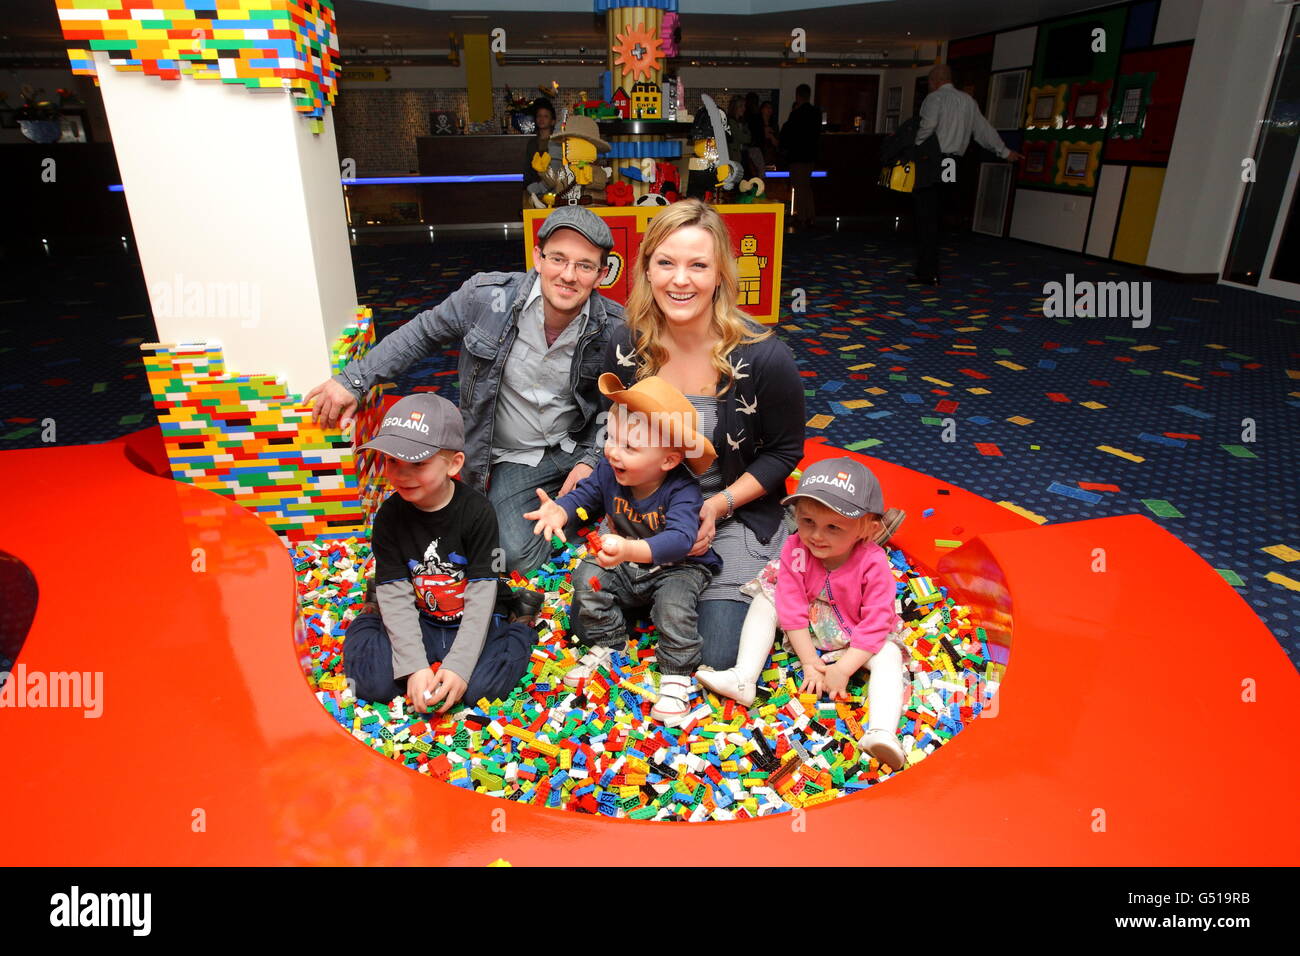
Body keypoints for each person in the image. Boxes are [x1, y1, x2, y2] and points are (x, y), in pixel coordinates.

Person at [305, 205, 624, 575]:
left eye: (584, 265)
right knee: (514, 555)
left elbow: (621, 405)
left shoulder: (614, 325)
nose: (568, 275)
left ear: (601, 274)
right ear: (537, 258)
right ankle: (571, 508)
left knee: (648, 511)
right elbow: (423, 333)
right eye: (558, 259)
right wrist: (354, 380)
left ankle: (583, 502)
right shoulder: (486, 298)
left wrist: (592, 460)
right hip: (516, 456)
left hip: (578, 446)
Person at [603, 198, 805, 673]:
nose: (680, 279)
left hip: (731, 511)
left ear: (720, 275)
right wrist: (591, 471)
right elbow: (609, 419)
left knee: (715, 654)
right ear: (647, 270)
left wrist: (716, 506)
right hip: (649, 509)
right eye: (666, 263)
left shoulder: (765, 357)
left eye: (698, 265)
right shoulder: (626, 344)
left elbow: (784, 451)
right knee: (592, 606)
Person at [524, 373, 720, 726]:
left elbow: (679, 541)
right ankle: (611, 643)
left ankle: (677, 671)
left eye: (629, 447)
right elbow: (586, 496)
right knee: (588, 576)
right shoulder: (608, 471)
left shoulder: (683, 491)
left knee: (674, 604)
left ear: (668, 461)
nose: (613, 451)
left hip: (678, 566)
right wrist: (561, 508)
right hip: (626, 564)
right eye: (611, 438)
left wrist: (629, 548)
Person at [696, 458, 910, 771]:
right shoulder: (796, 547)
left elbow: (877, 621)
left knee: (889, 653)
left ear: (869, 528)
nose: (815, 536)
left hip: (856, 634)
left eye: (833, 527)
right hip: (811, 625)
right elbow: (791, 604)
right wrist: (810, 661)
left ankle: (881, 731)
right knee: (765, 601)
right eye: (807, 521)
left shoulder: (873, 563)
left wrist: (844, 668)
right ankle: (744, 677)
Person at [341, 394, 534, 715]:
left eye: (417, 463)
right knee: (374, 685)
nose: (402, 475)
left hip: (475, 613)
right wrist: (414, 666)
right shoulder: (389, 517)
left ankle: (522, 621)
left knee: (480, 691)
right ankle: (371, 613)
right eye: (392, 461)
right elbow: (398, 594)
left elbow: (481, 592)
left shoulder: (477, 512)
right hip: (422, 614)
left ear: (454, 464)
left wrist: (458, 666)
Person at [912, 63, 1022, 285]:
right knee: (937, 213)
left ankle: (926, 270)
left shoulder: (934, 99)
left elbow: (927, 127)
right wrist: (1004, 151)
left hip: (933, 162)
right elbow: (983, 130)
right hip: (953, 162)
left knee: (926, 215)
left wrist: (914, 148)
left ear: (934, 81)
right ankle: (929, 267)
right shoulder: (968, 101)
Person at [779, 84, 821, 229]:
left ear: (798, 96)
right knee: (807, 187)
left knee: (798, 187)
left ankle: (801, 216)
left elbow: (787, 134)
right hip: (810, 155)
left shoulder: (796, 114)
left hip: (797, 156)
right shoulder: (816, 113)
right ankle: (810, 216)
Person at [522, 97, 561, 206]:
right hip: (534, 189)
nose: (541, 119)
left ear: (553, 121)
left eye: (546, 116)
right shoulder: (532, 143)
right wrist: (528, 186)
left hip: (554, 189)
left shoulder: (557, 141)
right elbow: (528, 167)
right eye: (539, 116)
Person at [759, 100, 780, 169]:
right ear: (762, 109)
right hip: (759, 156)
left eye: (770, 108)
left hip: (771, 157)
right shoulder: (757, 124)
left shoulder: (774, 125)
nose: (769, 109)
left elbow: (777, 143)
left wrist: (771, 136)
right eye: (767, 107)